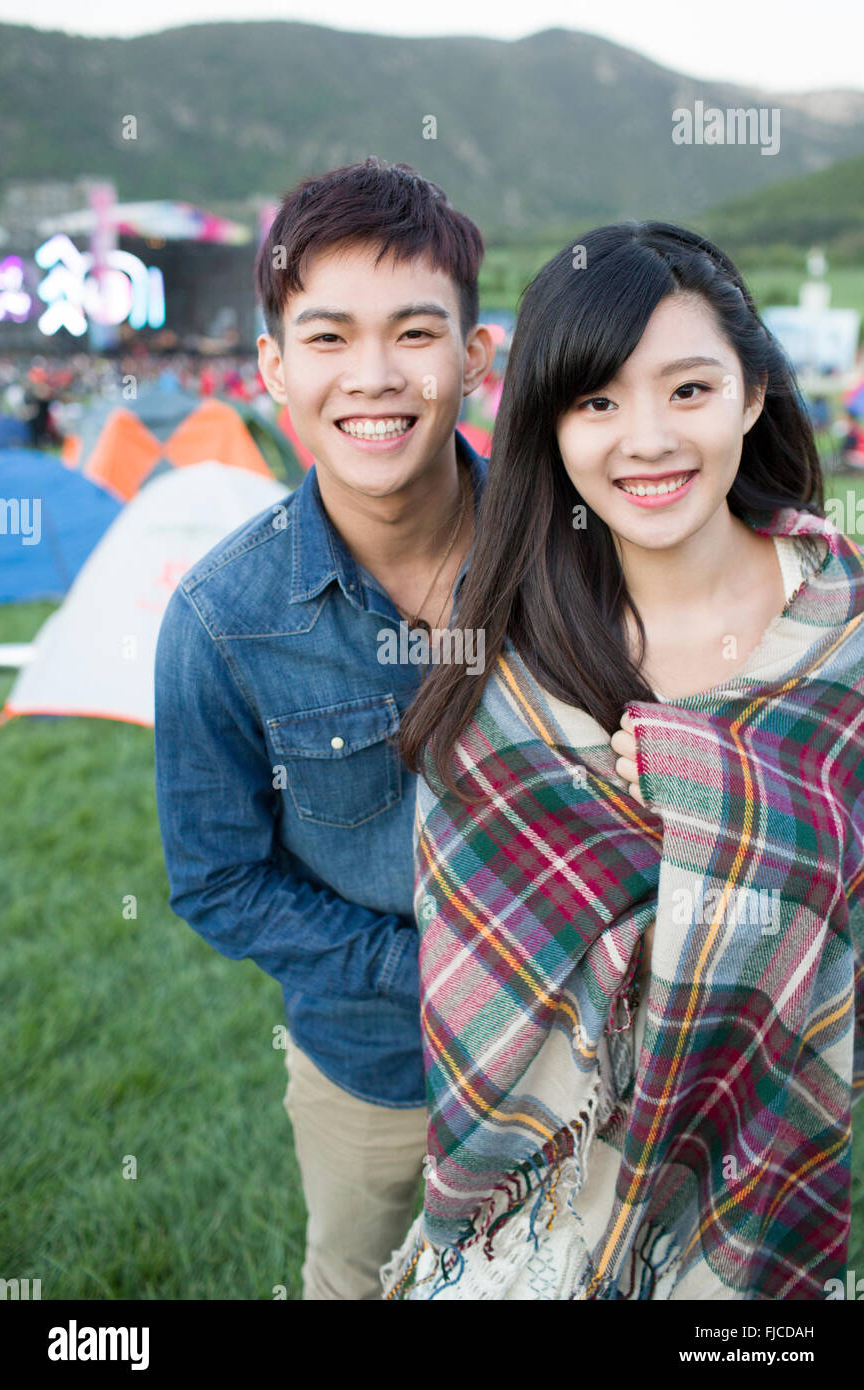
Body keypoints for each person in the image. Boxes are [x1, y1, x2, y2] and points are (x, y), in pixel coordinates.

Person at [383, 220, 864, 1300]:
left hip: (747, 1212)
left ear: (750, 395)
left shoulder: (843, 643)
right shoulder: (500, 662)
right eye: (596, 401)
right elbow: (468, 945)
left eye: (686, 391)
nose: (643, 438)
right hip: (533, 1233)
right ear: (549, 427)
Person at [153, 158, 494, 1299]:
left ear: (472, 358)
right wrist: (438, 972)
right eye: (329, 336)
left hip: (581, 1063)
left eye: (413, 332)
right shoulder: (220, 618)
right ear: (273, 370)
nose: (374, 376)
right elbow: (215, 880)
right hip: (367, 1072)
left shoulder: (575, 561)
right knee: (353, 1280)